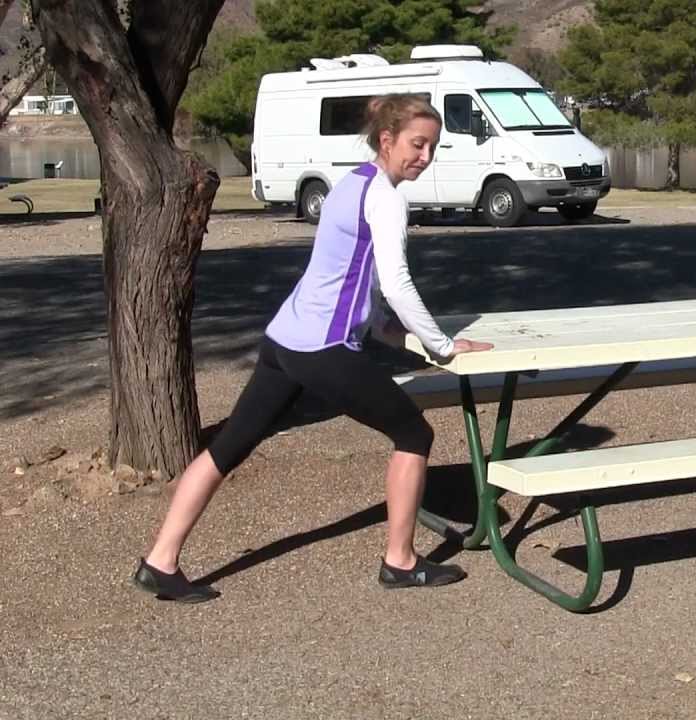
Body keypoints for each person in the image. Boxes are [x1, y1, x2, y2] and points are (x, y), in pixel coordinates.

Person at [132, 94, 492, 603]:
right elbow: (394, 281)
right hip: (321, 347)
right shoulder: (385, 196)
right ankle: (401, 560)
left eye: (433, 146)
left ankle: (159, 561)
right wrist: (443, 347)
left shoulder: (353, 181)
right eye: (417, 144)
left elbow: (349, 274)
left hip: (285, 340)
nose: (425, 156)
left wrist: (387, 331)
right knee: (413, 431)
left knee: (230, 444)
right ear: (387, 139)